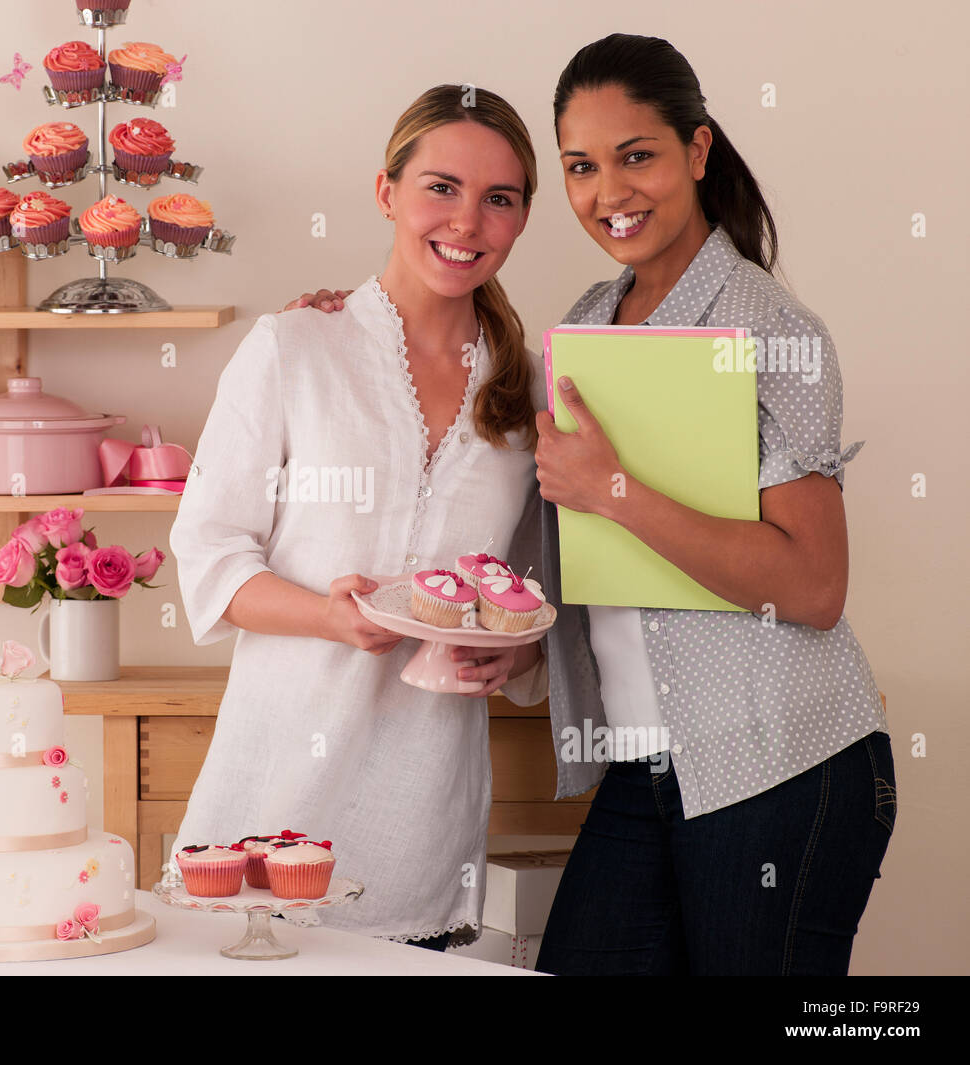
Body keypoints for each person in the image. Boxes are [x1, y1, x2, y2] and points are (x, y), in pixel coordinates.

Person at [295, 35, 895, 975]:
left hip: (780, 760)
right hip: (647, 764)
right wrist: (362, 322)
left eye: (637, 156)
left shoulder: (772, 327)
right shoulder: (589, 314)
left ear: (698, 152)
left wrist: (614, 491)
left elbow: (814, 584)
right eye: (581, 167)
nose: (609, 192)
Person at [167, 84, 548, 949]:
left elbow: (531, 592)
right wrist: (331, 619)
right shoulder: (295, 346)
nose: (468, 221)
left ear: (522, 217)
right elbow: (210, 553)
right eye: (441, 187)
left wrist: (514, 647)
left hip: (422, 816)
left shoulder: (526, 390)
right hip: (269, 801)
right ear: (387, 192)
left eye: (500, 199)